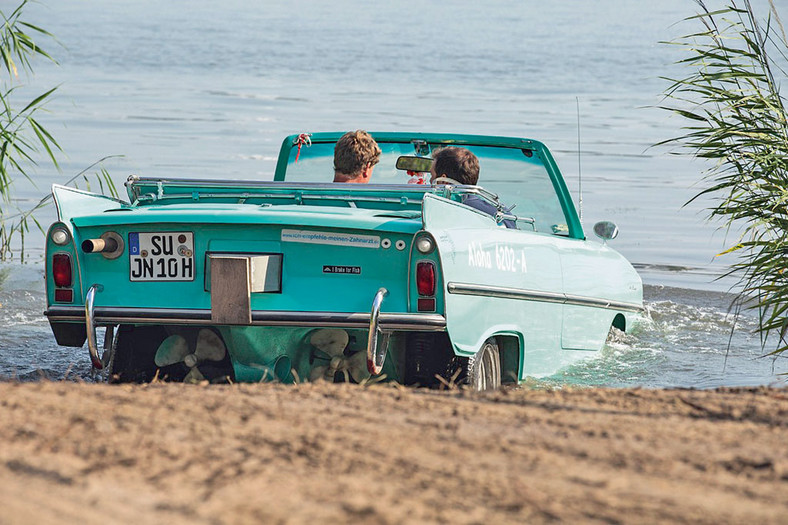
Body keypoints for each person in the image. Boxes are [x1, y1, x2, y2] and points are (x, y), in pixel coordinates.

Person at [430, 146, 515, 228]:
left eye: (432, 176)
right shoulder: (503, 213)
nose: (429, 181)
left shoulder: (450, 214)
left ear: (443, 181)